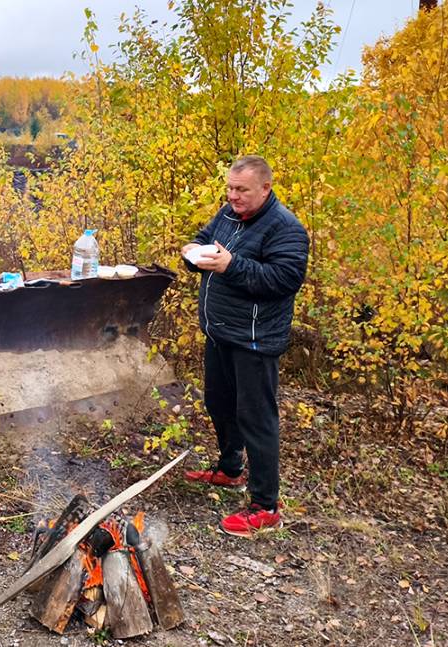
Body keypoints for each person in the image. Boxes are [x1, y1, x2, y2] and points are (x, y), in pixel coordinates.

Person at [180, 155, 309, 537]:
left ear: (265, 188)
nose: (233, 196)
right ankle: (230, 469)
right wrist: (193, 251)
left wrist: (231, 266)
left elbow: (283, 280)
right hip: (221, 332)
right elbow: (207, 240)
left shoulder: (286, 228)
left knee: (257, 418)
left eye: (242, 190)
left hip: (254, 340)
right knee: (218, 404)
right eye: (230, 189)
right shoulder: (230, 213)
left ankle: (266, 506)